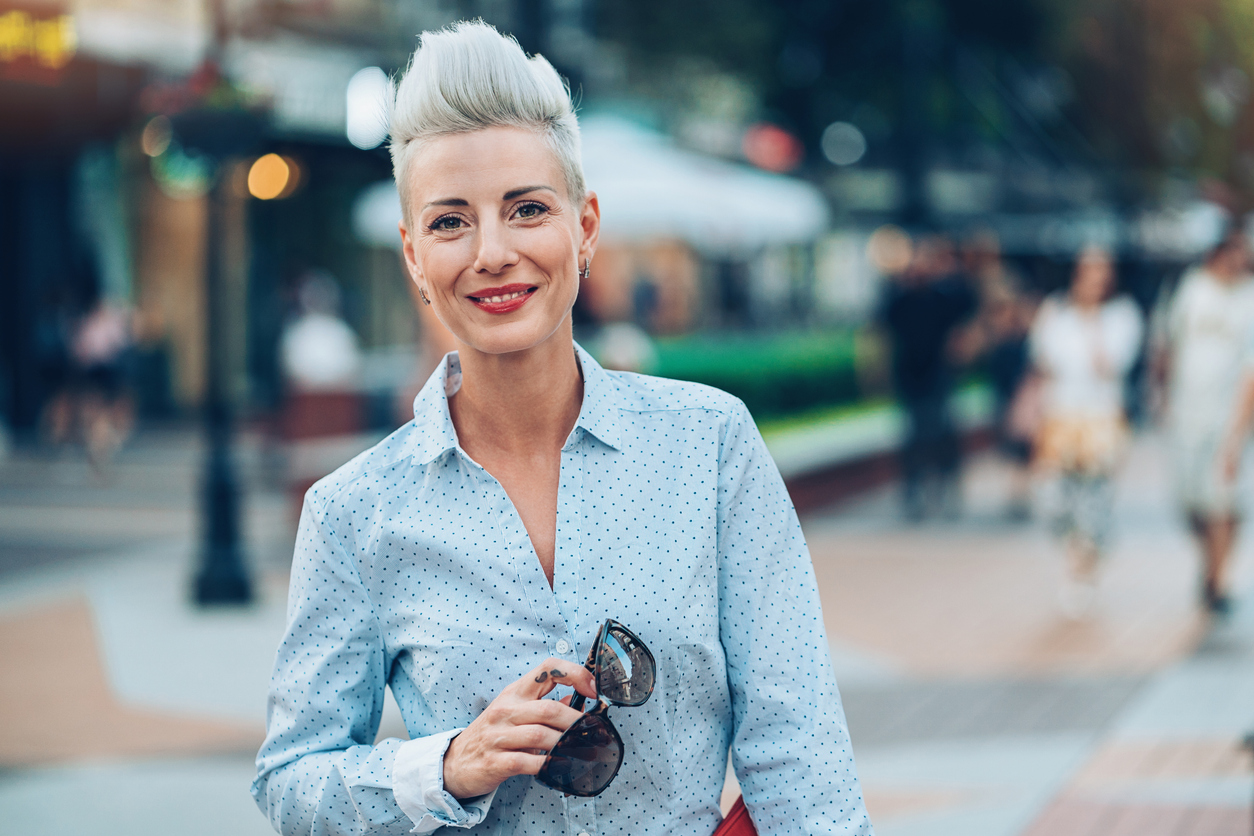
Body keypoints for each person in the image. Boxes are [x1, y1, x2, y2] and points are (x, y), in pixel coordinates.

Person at [252, 21, 872, 836]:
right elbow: (291, 780)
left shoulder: (709, 445)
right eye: (450, 222)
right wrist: (445, 765)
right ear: (413, 258)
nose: (493, 251)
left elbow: (800, 751)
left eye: (527, 209)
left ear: (583, 229)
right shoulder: (354, 514)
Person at [1029, 246, 1143, 616]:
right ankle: (1076, 558)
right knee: (1054, 502)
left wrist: (1092, 320)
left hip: (1101, 420)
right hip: (1061, 418)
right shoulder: (1055, 312)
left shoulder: (1123, 316)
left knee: (1094, 504)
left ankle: (1082, 575)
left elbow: (1108, 366)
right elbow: (1043, 367)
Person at [1165, 228, 1254, 615]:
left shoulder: (1250, 299)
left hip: (1227, 418)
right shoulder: (1191, 289)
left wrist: (1238, 430)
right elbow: (1169, 344)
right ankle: (1209, 564)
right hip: (1186, 415)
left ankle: (1216, 581)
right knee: (1189, 504)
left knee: (1222, 501)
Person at [878, 232, 978, 520]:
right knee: (912, 435)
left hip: (939, 375)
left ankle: (945, 486)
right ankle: (914, 489)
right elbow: (882, 335)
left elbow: (968, 324)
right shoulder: (897, 298)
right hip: (909, 376)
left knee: (941, 430)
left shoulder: (945, 296)